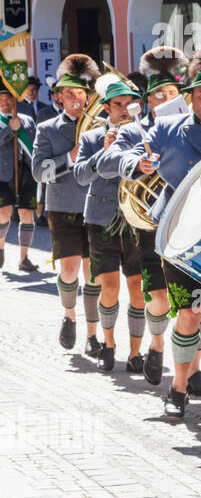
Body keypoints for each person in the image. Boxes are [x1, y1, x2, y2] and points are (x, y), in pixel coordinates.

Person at [120, 54, 201, 421]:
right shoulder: (167, 128)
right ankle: (177, 390)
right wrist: (139, 164)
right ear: (192, 98)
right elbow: (132, 154)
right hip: (179, 239)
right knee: (190, 314)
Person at [101, 47, 189, 387]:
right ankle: (155, 345)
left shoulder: (194, 127)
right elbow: (109, 162)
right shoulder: (135, 129)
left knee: (190, 304)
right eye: (157, 96)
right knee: (158, 297)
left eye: (170, 94)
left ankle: (192, 370)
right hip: (152, 225)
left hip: (189, 225)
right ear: (147, 101)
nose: (164, 100)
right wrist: (135, 164)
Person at [74, 79, 150, 374]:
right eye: (117, 104)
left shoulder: (143, 134)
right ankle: (108, 344)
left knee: (137, 287)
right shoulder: (93, 137)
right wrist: (102, 152)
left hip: (135, 220)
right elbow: (80, 176)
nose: (124, 109)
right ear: (106, 108)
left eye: (130, 104)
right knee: (109, 286)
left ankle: (135, 353)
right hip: (101, 220)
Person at [33, 55, 102, 356]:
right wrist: (70, 158)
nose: (76, 99)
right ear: (59, 98)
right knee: (71, 270)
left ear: (88, 95)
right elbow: (39, 172)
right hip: (62, 206)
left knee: (94, 273)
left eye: (81, 93)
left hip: (96, 205)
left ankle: (92, 333)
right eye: (69, 94)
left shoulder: (101, 126)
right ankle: (69, 315)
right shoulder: (47, 128)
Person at [0, 88, 39, 272]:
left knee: (27, 215)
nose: (5, 104)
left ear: (15, 101)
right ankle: (0, 248)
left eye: (9, 101)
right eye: (1, 101)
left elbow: (35, 144)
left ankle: (24, 258)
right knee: (4, 214)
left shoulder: (28, 120)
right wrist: (10, 129)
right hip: (3, 175)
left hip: (27, 172)